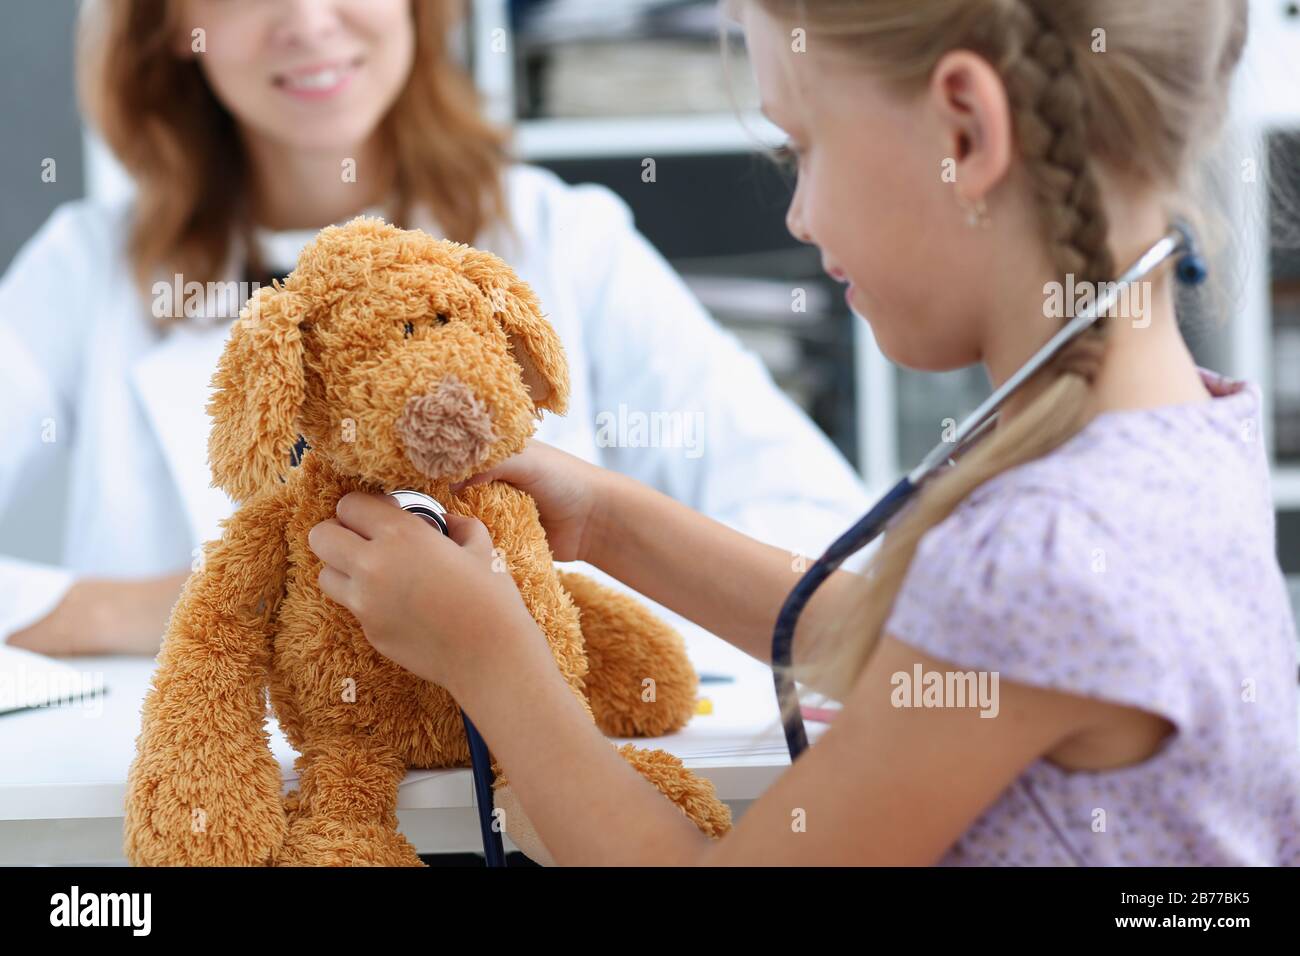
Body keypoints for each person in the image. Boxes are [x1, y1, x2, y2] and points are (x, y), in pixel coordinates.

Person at [307, 0, 1300, 864]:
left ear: (964, 129)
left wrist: (486, 656)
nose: (798, 215)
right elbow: (907, 651)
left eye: (802, 149)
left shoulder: (1037, 560)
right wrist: (605, 522)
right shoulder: (1180, 438)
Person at [0, 0, 869, 655]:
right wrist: (147, 605)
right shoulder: (88, 269)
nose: (307, 22)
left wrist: (553, 611)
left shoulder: (561, 237)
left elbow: (817, 529)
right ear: (168, 25)